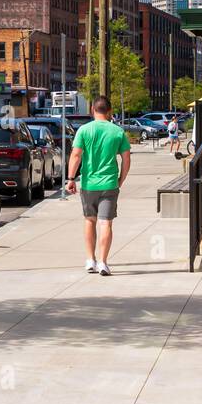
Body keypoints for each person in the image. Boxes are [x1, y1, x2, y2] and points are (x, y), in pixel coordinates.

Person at [66, 95, 131, 276]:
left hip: (88, 184)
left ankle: (90, 259)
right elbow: (126, 158)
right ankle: (103, 262)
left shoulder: (84, 130)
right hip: (109, 183)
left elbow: (76, 155)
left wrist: (71, 178)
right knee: (106, 223)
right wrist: (120, 179)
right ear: (109, 112)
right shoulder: (117, 132)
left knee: (89, 220)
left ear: (92, 110)